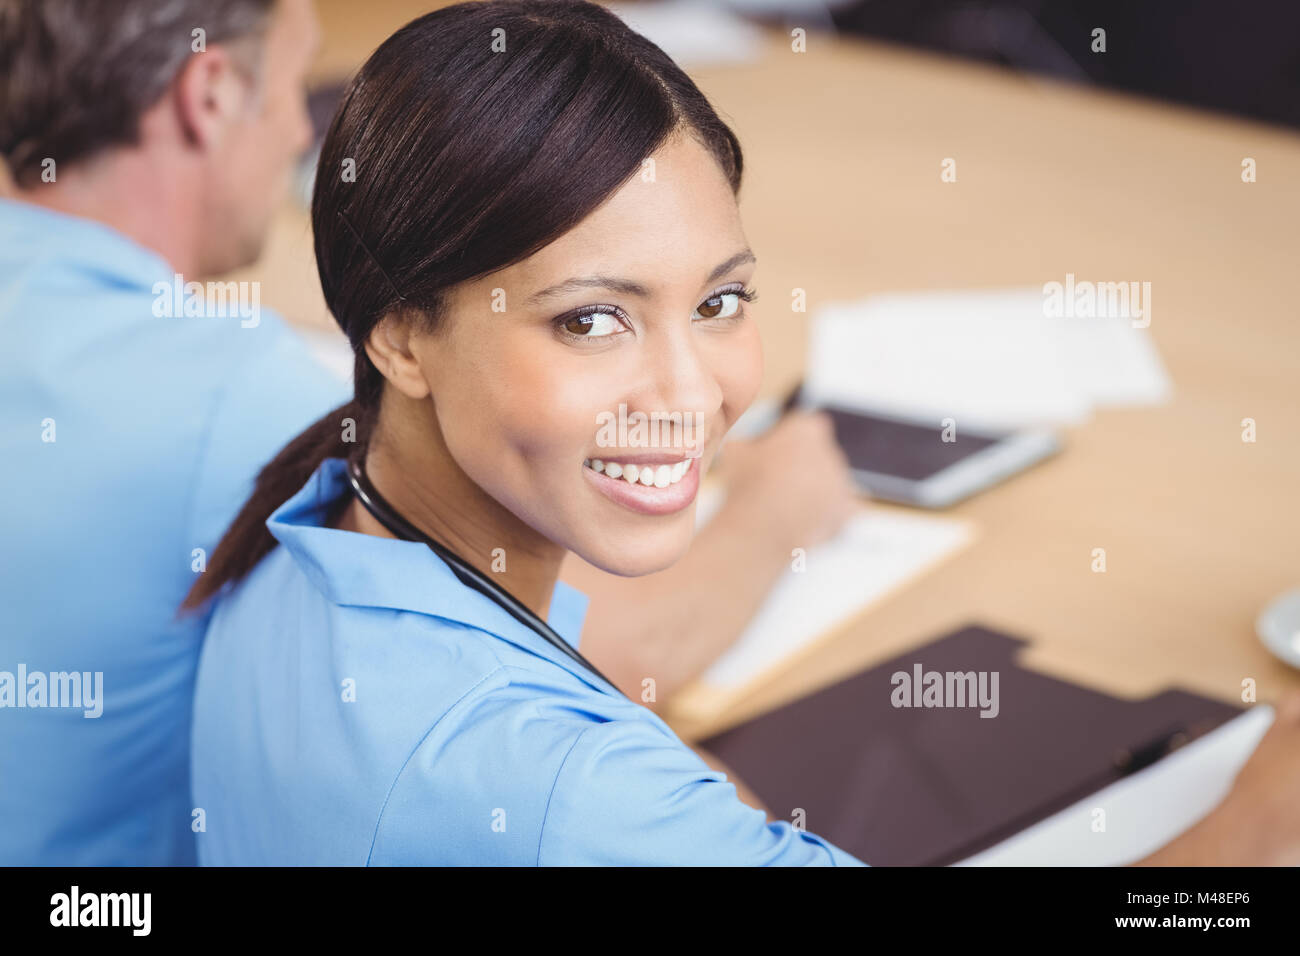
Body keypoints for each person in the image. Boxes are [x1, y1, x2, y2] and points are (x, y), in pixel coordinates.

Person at [185, 0, 1300, 866]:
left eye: (719, 302)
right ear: (402, 339)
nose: (692, 393)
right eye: (592, 318)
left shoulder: (308, 532)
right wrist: (1258, 821)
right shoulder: (570, 794)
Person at [0, 0, 348, 864]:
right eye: (294, 93)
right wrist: (750, 492)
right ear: (212, 92)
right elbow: (580, 661)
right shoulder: (245, 399)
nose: (299, 138)